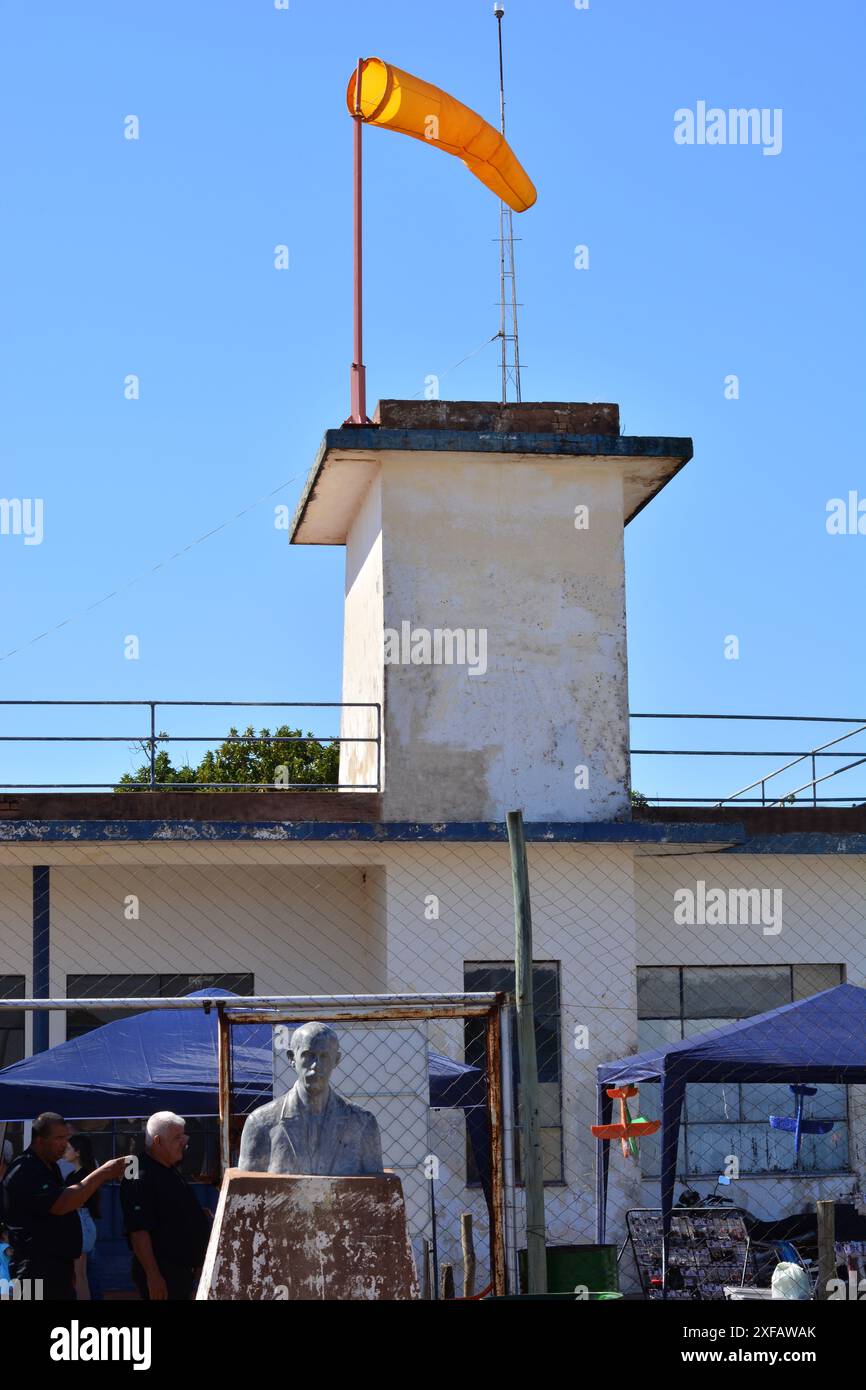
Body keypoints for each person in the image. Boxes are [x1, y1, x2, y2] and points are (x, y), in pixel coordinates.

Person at [1, 1113, 124, 1300]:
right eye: (58, 1138)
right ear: (40, 1140)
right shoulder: (25, 1169)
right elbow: (61, 1204)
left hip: (57, 1268)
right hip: (31, 1269)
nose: (64, 1144)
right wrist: (103, 1173)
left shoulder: (50, 1167)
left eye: (66, 1138)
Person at [238, 1021, 383, 1175]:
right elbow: (245, 1191)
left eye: (324, 1056)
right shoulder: (260, 1123)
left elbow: (377, 1192)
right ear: (292, 1058)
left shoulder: (363, 1124)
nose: (316, 1065)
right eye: (308, 1055)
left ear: (336, 1060)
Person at [120, 1111, 211, 1301]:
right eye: (177, 1137)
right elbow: (138, 1230)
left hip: (183, 1271)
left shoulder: (169, 1167)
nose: (184, 1141)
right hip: (163, 1273)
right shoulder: (136, 1171)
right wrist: (153, 1276)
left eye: (184, 1135)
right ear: (157, 1141)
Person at [61, 1134, 101, 1301]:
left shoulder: (84, 1175)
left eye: (69, 1148)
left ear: (77, 1152)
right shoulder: (73, 1176)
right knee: (80, 1273)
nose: (65, 1151)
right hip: (79, 1223)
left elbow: (79, 1202)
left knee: (80, 1274)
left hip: (81, 1222)